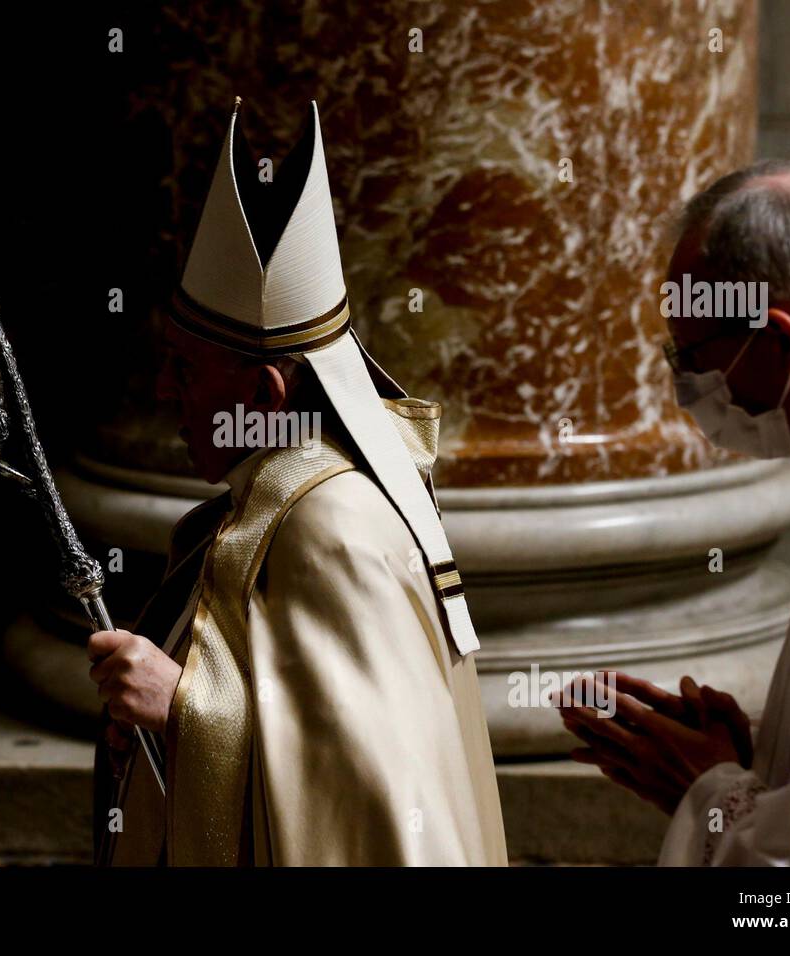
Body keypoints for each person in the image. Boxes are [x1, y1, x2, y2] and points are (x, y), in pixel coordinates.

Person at [87, 98, 507, 866]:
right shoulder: (272, 497)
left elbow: (368, 803)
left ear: (264, 399)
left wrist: (183, 709)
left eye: (185, 371)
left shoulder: (330, 525)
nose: (165, 394)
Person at [561, 160, 790, 865]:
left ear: (781, 343)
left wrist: (704, 787)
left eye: (692, 357)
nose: (687, 388)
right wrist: (765, 755)